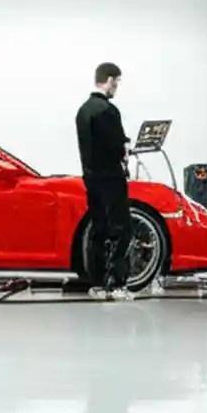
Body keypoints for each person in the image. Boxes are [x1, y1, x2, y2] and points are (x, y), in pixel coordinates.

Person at [76, 62, 132, 300]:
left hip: (91, 178)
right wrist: (125, 149)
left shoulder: (83, 111)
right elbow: (117, 146)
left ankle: (97, 284)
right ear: (109, 80)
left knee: (98, 231)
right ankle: (117, 285)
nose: (116, 88)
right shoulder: (108, 110)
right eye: (116, 82)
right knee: (121, 229)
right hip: (111, 179)